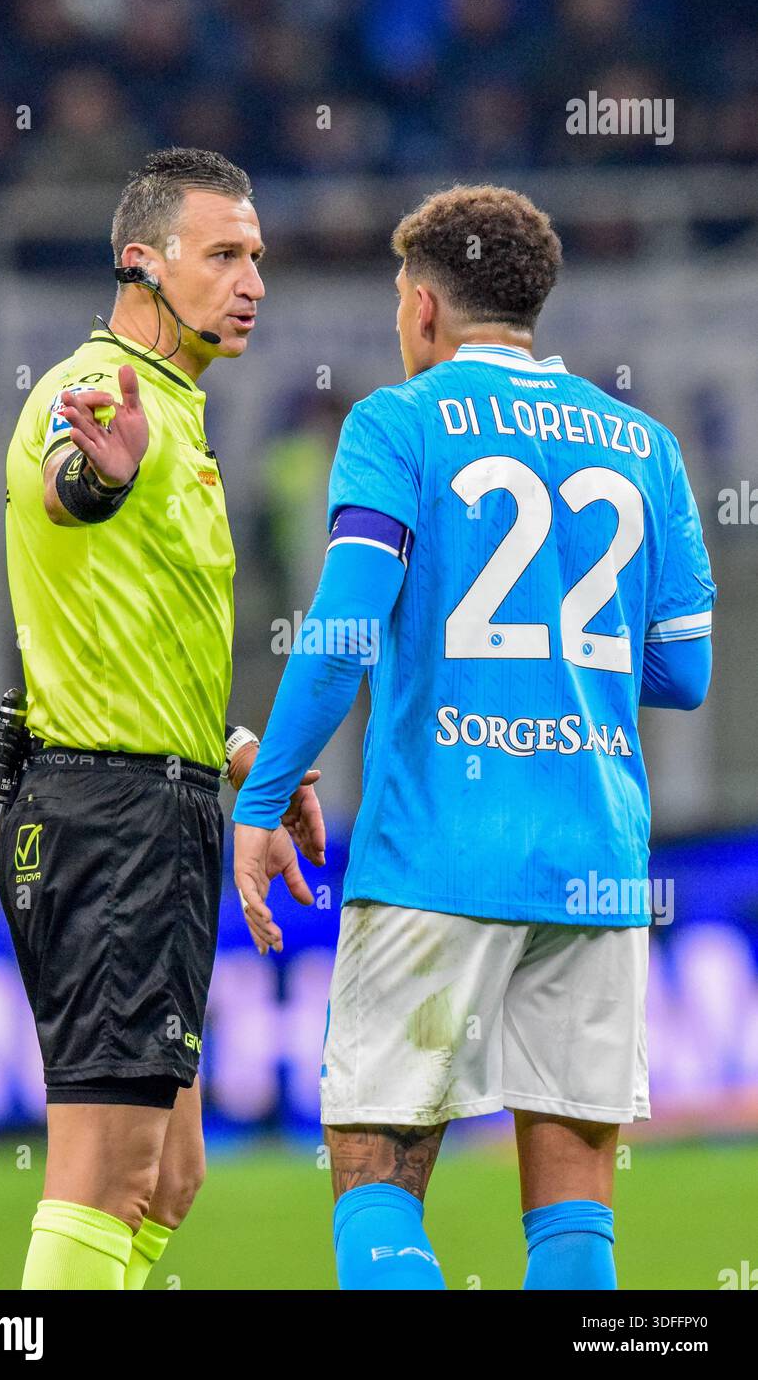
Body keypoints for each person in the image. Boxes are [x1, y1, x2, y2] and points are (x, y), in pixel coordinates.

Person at [232, 184, 715, 1290]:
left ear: (420, 309)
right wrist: (549, 653)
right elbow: (681, 672)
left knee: (374, 1174)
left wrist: (261, 802)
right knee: (571, 1200)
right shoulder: (642, 444)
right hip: (592, 863)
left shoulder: (396, 421)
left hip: (435, 858)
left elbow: (347, 625)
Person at [0, 147, 324, 1290]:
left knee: (170, 1173)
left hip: (161, 805)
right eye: (223, 254)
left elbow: (146, 638)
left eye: (257, 258)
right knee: (102, 1171)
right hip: (106, 816)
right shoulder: (92, 393)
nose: (252, 281)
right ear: (141, 259)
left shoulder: (181, 417)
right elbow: (65, 482)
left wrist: (242, 755)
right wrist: (102, 478)